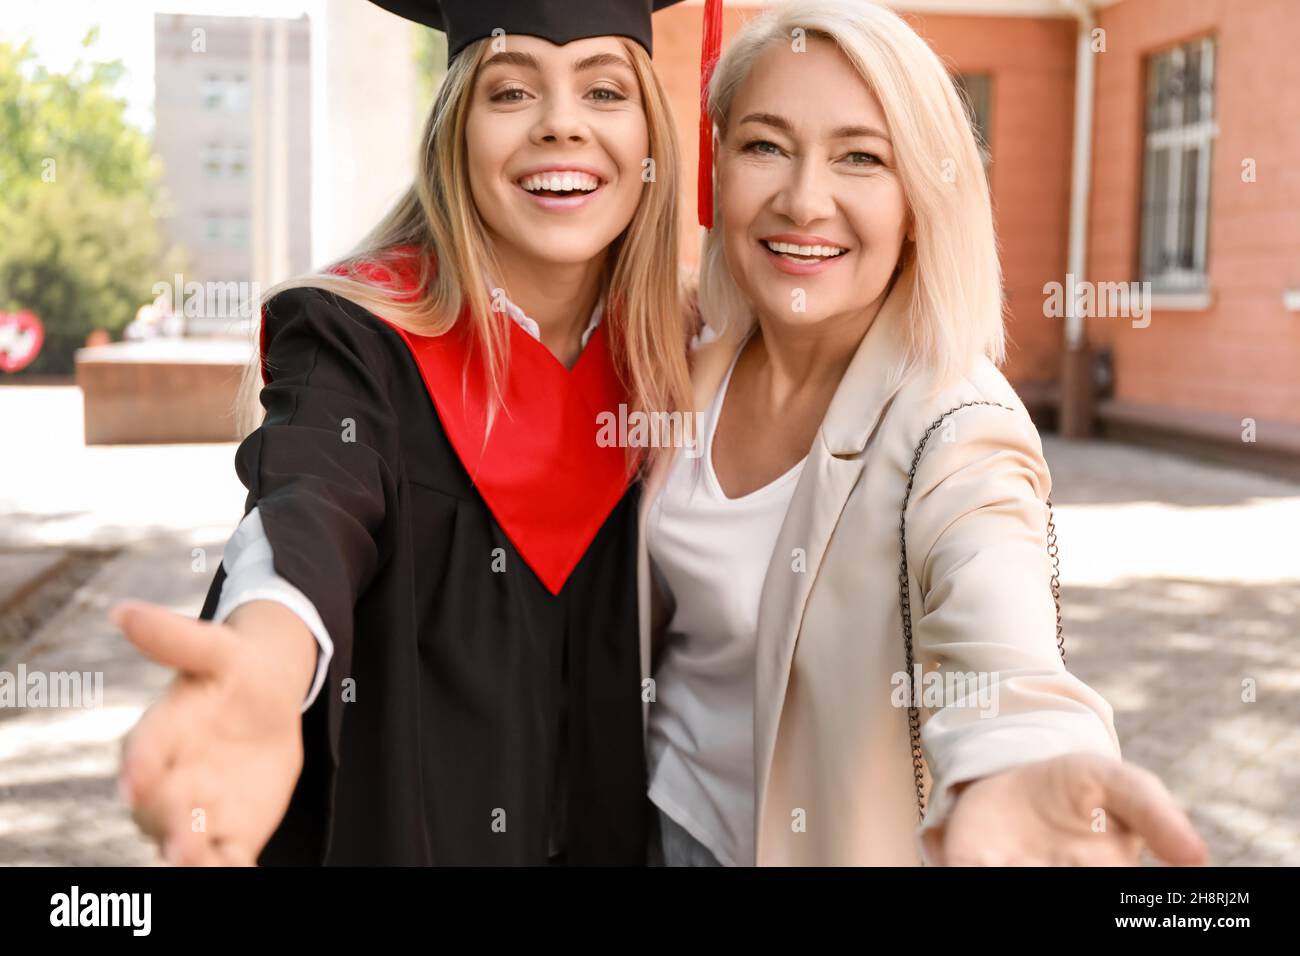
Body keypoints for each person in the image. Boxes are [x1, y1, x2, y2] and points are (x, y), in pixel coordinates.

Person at [111, 0, 695, 866]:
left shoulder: (688, 360)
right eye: (510, 92)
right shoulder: (356, 342)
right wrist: (264, 661)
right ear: (455, 131)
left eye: (604, 90)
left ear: (651, 135)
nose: (561, 124)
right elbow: (308, 504)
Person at [641, 0, 1209, 867]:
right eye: (765, 145)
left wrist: (1015, 765)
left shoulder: (956, 423)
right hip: (651, 812)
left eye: (861, 157)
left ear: (920, 198)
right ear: (719, 169)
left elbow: (1002, 630)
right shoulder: (692, 350)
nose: (804, 199)